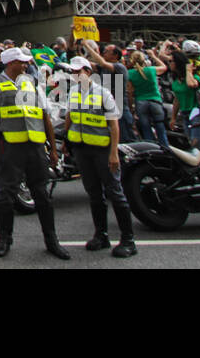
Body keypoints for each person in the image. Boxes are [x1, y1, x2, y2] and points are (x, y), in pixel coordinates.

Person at [0, 46, 68, 260]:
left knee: (42, 196)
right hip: (10, 148)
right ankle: (4, 239)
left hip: (36, 148)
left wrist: (52, 147)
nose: (26, 64)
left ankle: (51, 240)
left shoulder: (33, 83)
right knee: (5, 197)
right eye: (22, 62)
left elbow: (45, 115)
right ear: (11, 63)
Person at [61, 57, 136, 258]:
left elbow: (114, 125)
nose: (75, 75)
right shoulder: (74, 92)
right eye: (73, 72)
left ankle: (128, 240)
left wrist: (113, 153)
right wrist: (66, 142)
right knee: (94, 194)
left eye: (79, 72)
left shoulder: (103, 93)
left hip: (102, 150)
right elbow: (70, 116)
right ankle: (101, 235)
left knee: (115, 192)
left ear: (88, 71)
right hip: (82, 149)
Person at [127, 51, 170, 150]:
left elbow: (130, 92)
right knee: (160, 127)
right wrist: (153, 56)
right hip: (155, 100)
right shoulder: (151, 70)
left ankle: (151, 149)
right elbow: (164, 67)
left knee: (146, 128)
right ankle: (166, 149)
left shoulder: (130, 73)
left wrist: (131, 107)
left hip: (140, 101)